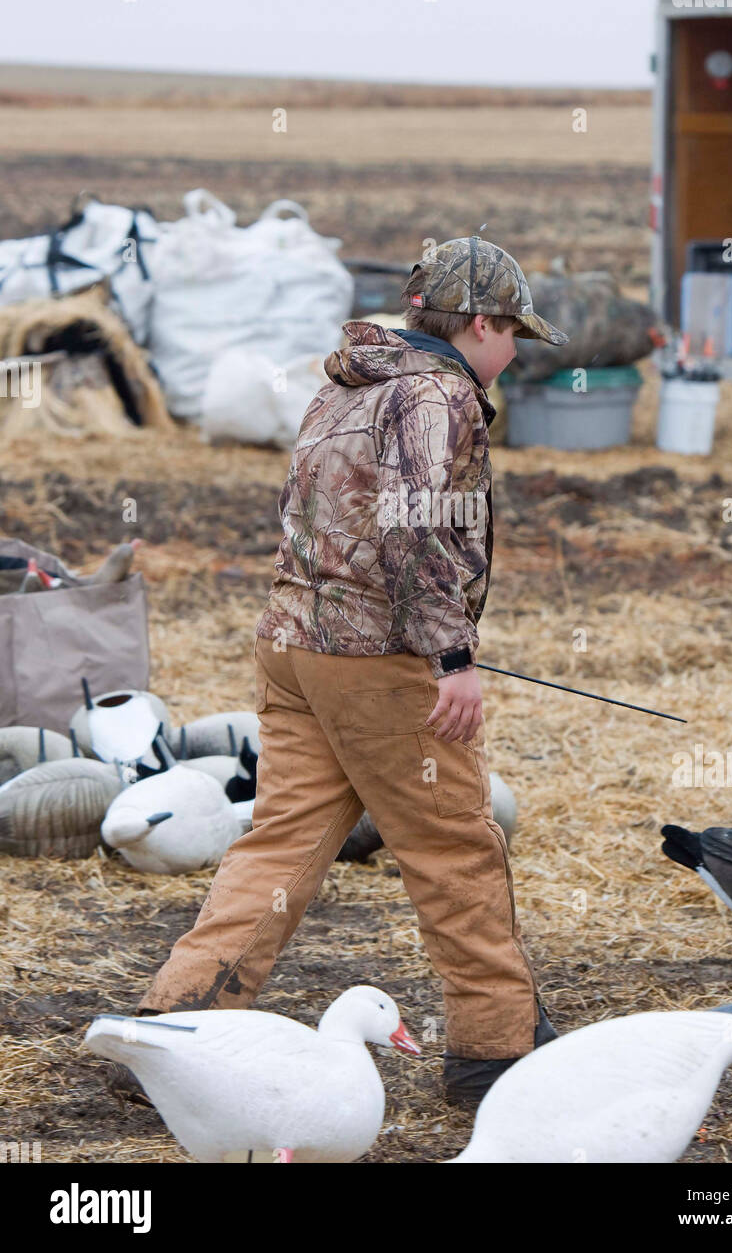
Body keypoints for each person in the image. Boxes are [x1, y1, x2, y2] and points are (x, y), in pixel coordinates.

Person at [137, 236, 568, 1105]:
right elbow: (413, 530)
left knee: (280, 846)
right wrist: (450, 655)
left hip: (295, 648)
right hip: (377, 662)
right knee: (453, 848)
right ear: (478, 323)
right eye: (512, 332)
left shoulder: (346, 382)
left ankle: (174, 1029)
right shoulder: (434, 393)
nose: (516, 352)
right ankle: (497, 1054)